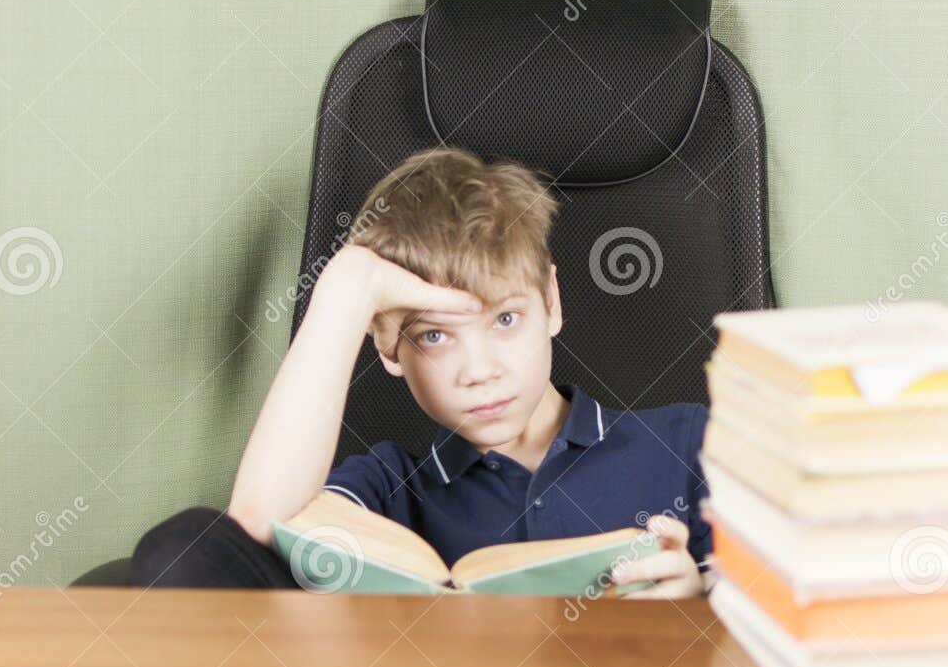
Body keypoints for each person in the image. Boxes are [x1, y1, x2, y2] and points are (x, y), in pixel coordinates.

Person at [131, 146, 713, 597]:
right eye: (434, 335)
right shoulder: (386, 488)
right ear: (387, 347)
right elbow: (255, 522)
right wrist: (349, 286)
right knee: (184, 546)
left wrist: (697, 601)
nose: (479, 371)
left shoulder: (689, 443)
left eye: (506, 318)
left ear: (551, 303)